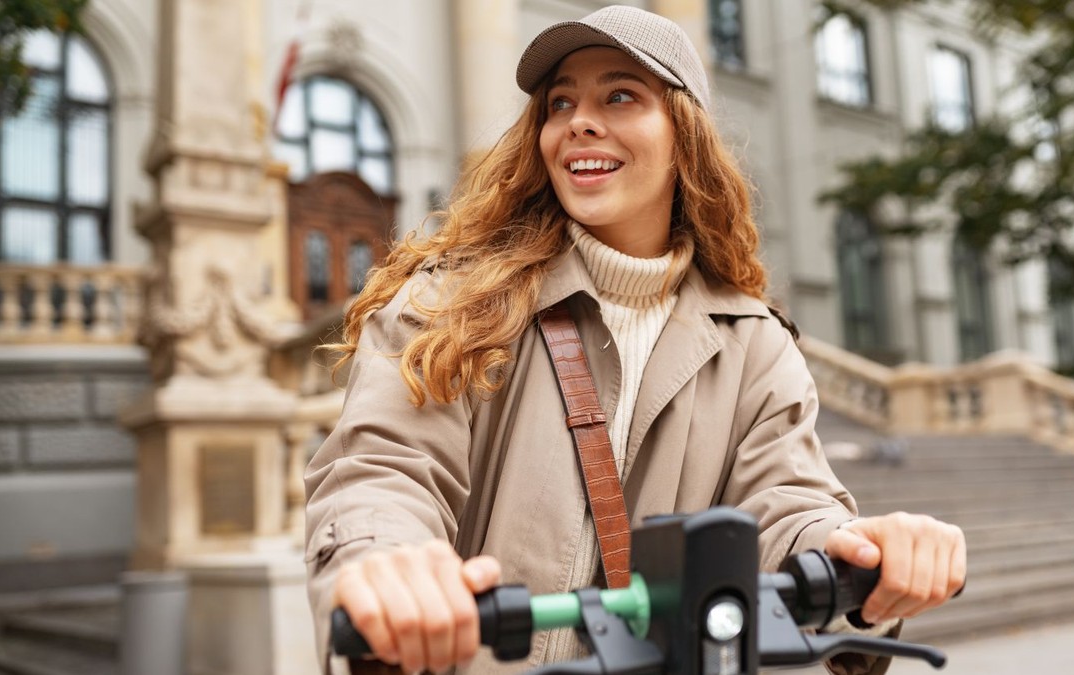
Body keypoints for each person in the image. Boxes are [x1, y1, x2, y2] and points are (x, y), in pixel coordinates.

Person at [305, 6, 966, 675]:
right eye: (560, 103)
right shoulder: (449, 305)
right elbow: (382, 471)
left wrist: (861, 557)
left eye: (620, 95)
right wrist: (387, 564)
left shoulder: (754, 345)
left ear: (685, 134)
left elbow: (787, 505)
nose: (578, 122)